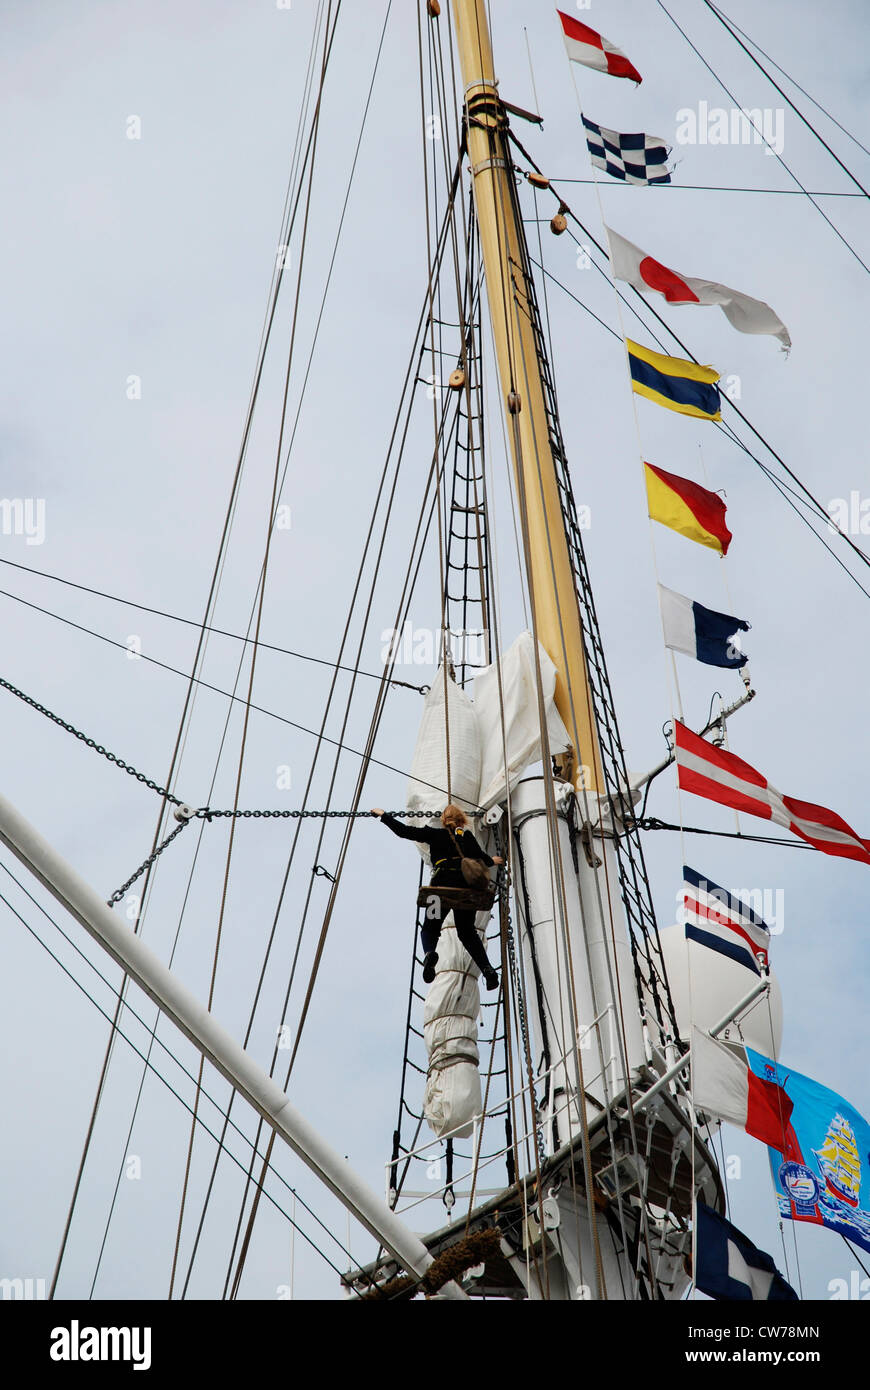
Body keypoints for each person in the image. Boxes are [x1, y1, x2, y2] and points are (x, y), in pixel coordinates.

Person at [371, 803, 504, 989]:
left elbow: (404, 831)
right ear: (462, 821)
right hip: (465, 891)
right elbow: (481, 857)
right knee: (467, 932)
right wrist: (494, 861)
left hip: (440, 889)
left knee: (430, 927)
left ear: (443, 821)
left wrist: (384, 815)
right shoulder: (467, 837)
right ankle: (488, 969)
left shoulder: (434, 834)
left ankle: (429, 954)